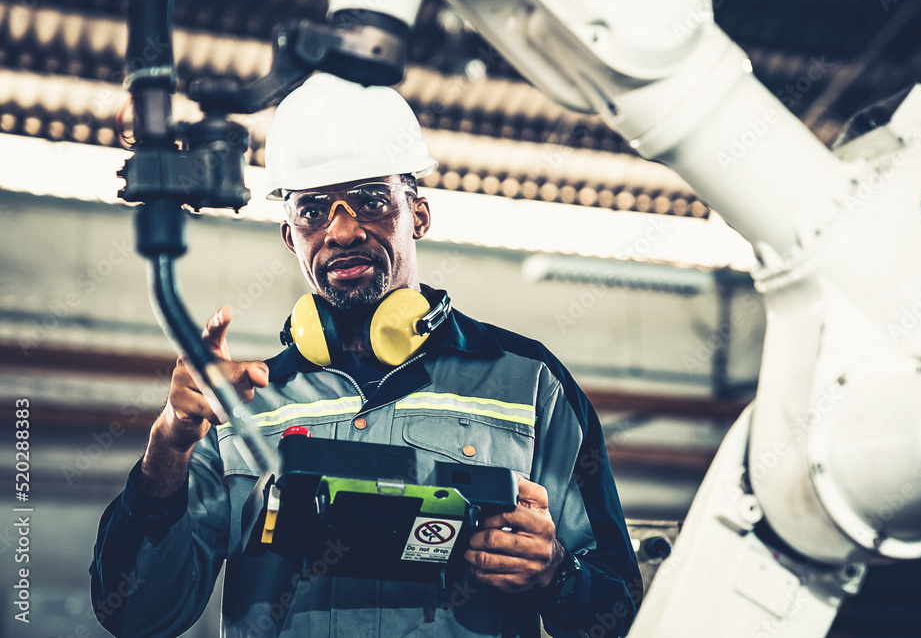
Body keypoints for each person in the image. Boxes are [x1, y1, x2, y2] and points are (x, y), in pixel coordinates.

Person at [90, 74, 641, 638]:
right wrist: (170, 444)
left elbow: (616, 612)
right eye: (312, 210)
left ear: (419, 214)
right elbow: (135, 615)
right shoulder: (237, 406)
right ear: (290, 237)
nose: (343, 229)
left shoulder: (530, 384)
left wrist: (556, 573)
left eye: (372, 201)